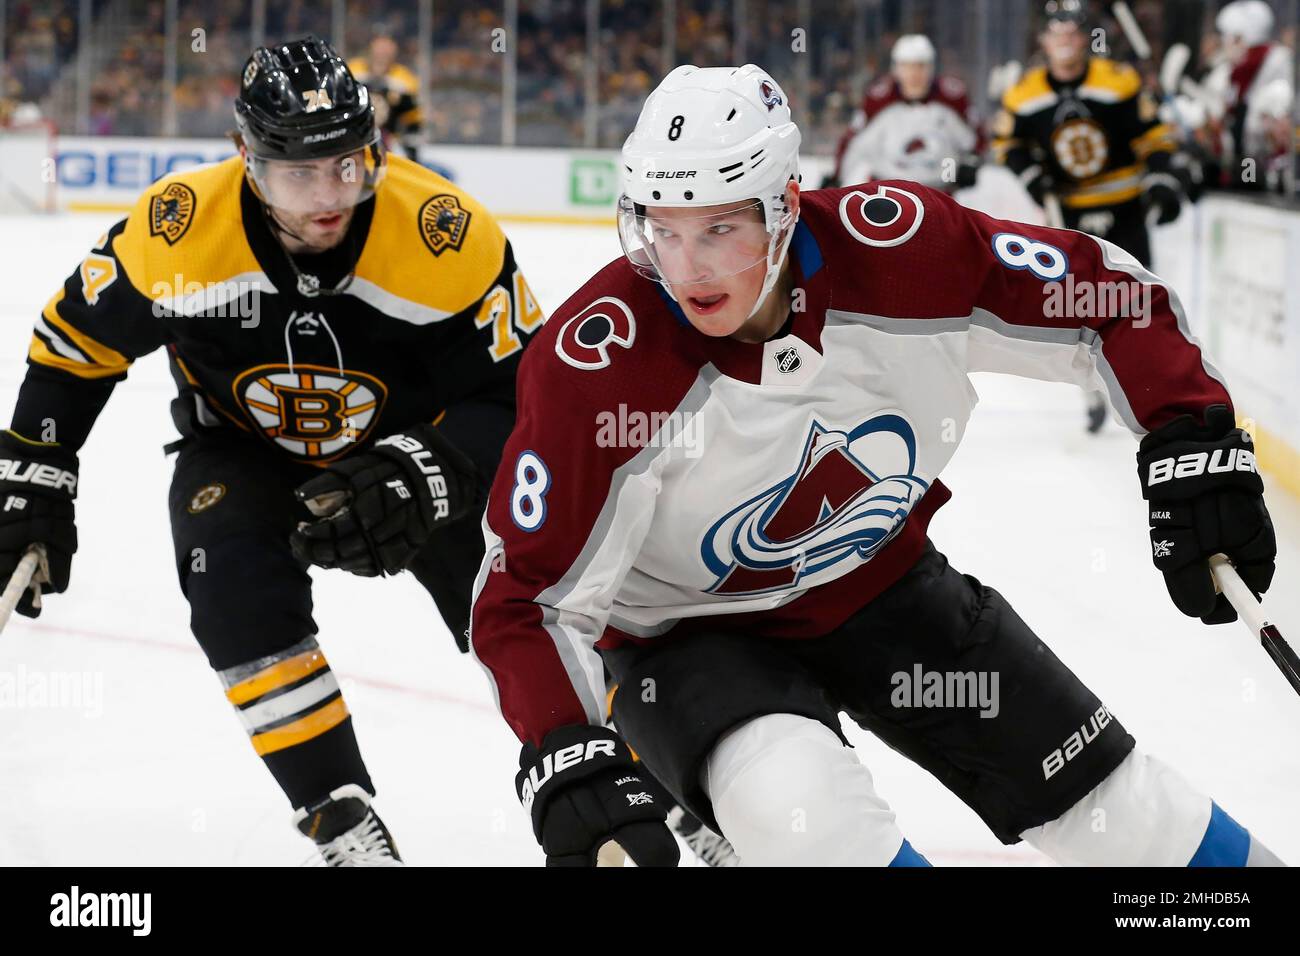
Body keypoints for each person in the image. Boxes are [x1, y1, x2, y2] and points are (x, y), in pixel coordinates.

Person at [469, 63, 1281, 867]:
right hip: (687, 639)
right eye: (663, 229)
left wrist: (1190, 435)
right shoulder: (599, 364)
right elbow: (523, 596)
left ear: (784, 205)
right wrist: (567, 748)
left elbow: (1108, 301)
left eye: (719, 228)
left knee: (1123, 814)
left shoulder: (905, 253)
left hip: (882, 585)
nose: (686, 270)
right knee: (810, 819)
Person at [0, 36, 542, 865]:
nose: (330, 195)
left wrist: (431, 468)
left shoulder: (442, 234)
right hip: (242, 449)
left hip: (410, 447)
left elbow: (526, 392)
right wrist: (37, 473)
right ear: (244, 160)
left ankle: (626, 772)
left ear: (375, 151)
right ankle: (335, 808)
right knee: (231, 590)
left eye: (348, 165)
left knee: (519, 597)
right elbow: (74, 349)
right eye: (299, 172)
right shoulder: (177, 232)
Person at [993, 0, 1186, 432]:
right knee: (1084, 308)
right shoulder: (1024, 95)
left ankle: (1151, 389)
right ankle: (1097, 389)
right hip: (1071, 213)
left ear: (1085, 39)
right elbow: (1007, 145)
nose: (1065, 40)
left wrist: (1160, 178)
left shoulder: (1118, 83)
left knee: (1136, 302)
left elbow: (1153, 134)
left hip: (1123, 207)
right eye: (1056, 32)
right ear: (1043, 40)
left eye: (1073, 32)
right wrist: (1035, 180)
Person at [828, 34, 980, 193]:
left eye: (920, 66)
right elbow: (854, 142)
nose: (914, 74)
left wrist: (971, 162)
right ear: (896, 68)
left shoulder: (952, 96)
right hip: (887, 194)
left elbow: (974, 137)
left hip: (939, 193)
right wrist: (837, 177)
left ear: (931, 67)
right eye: (907, 66)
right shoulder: (878, 98)